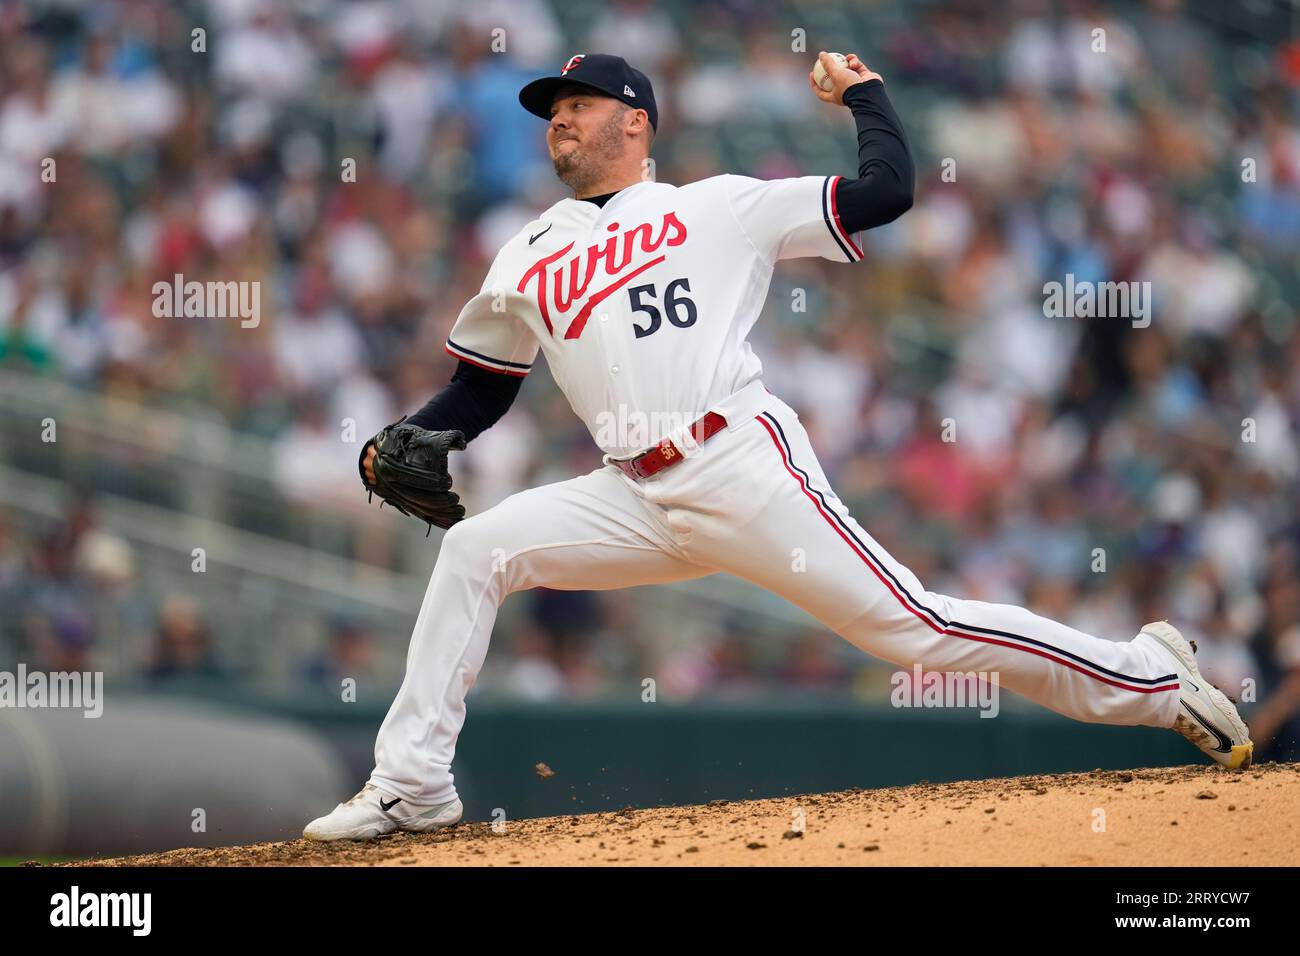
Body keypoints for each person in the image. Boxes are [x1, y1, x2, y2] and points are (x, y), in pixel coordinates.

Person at [303, 52, 1252, 841]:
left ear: (635, 121)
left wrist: (866, 97)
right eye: (552, 110)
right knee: (477, 549)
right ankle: (415, 781)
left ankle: (1153, 679)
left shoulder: (717, 206)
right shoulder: (530, 249)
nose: (558, 120)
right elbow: (483, 385)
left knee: (914, 628)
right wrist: (417, 435)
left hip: (741, 465)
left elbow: (886, 191)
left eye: (578, 105)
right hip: (631, 495)